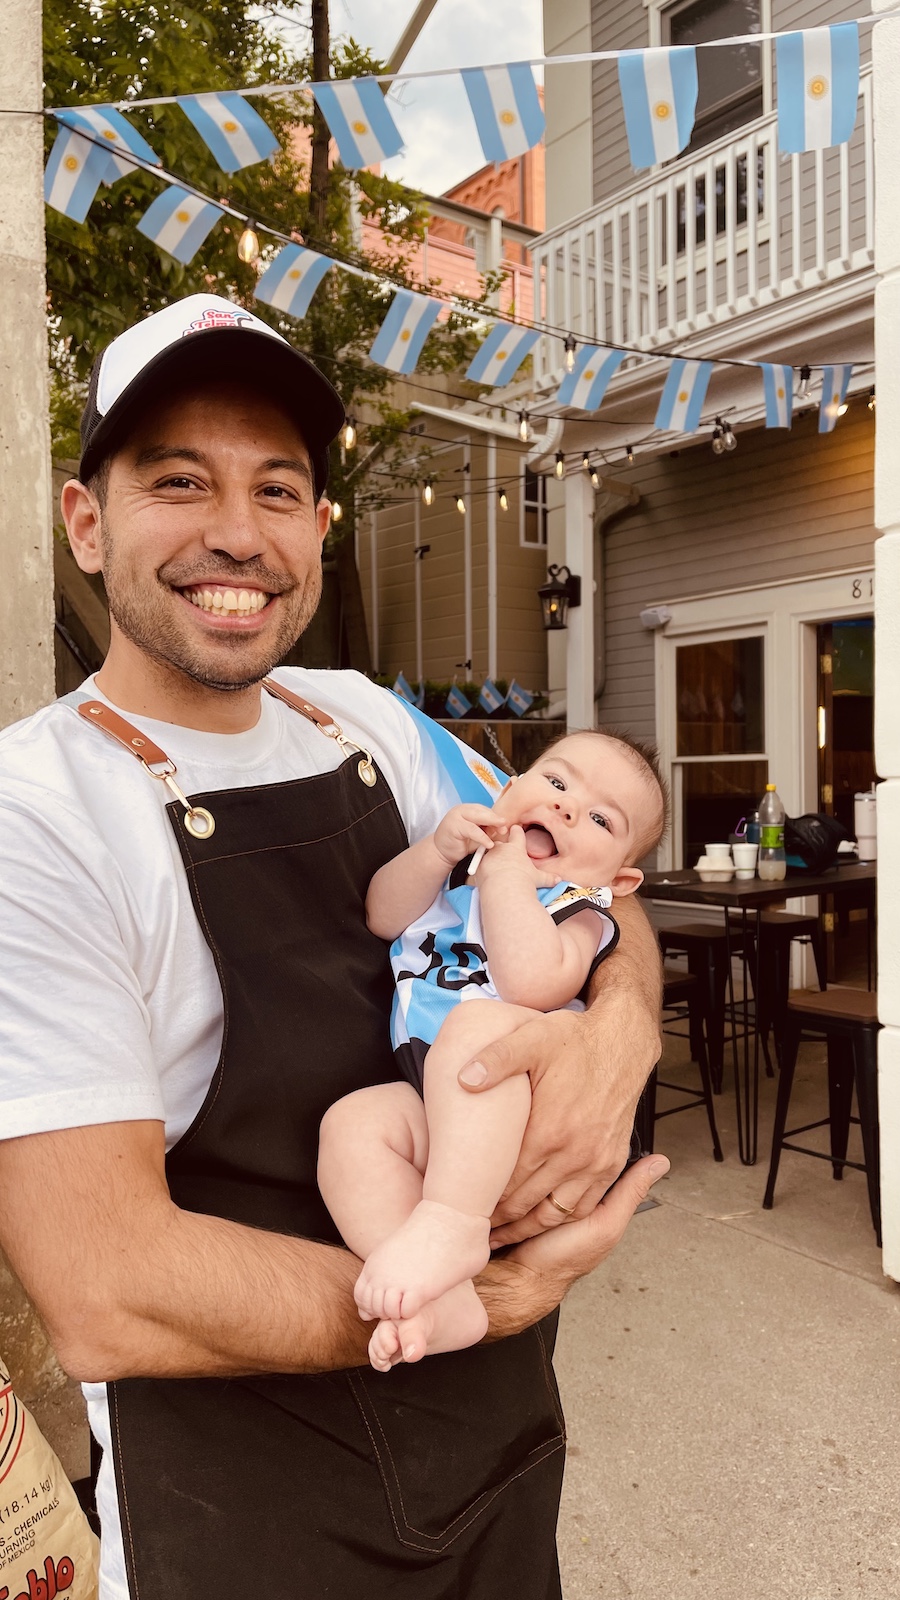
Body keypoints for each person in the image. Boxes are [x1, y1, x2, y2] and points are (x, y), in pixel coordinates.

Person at [0, 294, 667, 1600]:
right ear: (88, 520)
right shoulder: (37, 815)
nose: (234, 535)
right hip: (252, 1520)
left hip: (496, 1465)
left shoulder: (362, 720)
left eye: (277, 486)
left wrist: (622, 1033)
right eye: (179, 481)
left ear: (319, 524)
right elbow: (106, 1289)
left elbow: (590, 872)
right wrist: (487, 1296)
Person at [319, 730, 666, 1372]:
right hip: (442, 1100)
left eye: (598, 818)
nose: (565, 808)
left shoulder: (579, 908)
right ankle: (438, 1297)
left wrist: (506, 875)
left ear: (618, 878)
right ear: (507, 790)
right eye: (557, 784)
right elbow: (382, 917)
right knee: (353, 1127)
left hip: (517, 1104)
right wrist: (433, 852)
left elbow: (530, 983)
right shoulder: (457, 875)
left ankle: (452, 1224)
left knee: (481, 1024)